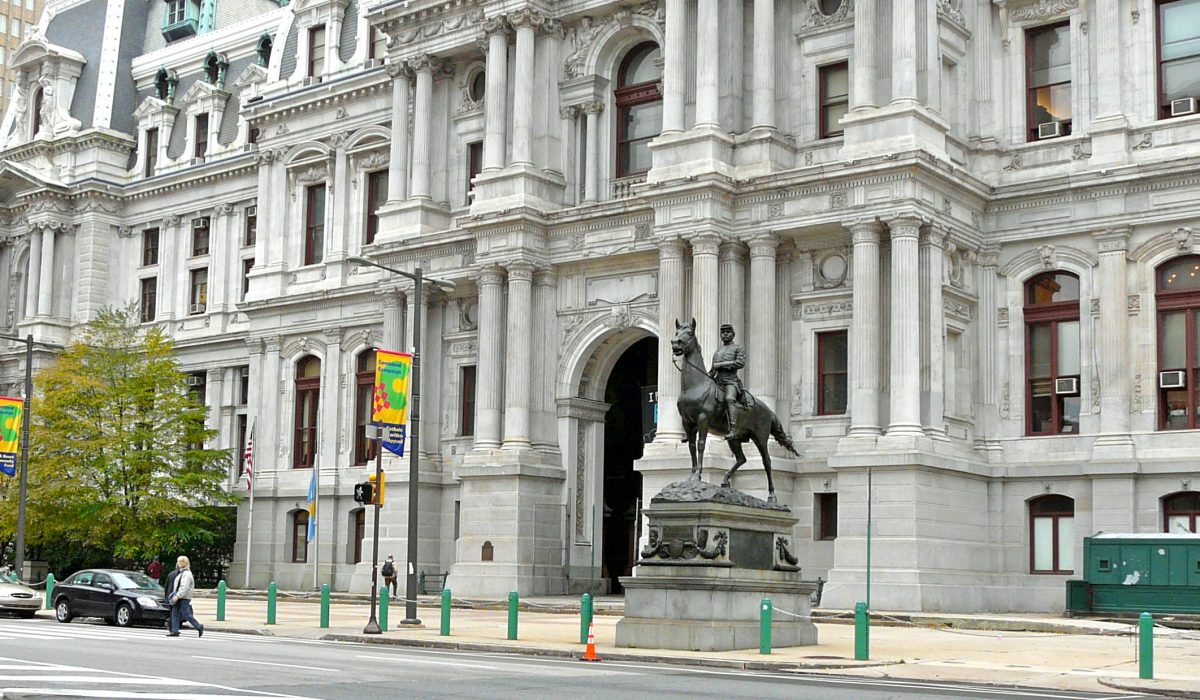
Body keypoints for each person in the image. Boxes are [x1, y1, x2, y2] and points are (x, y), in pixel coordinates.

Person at [709, 324, 748, 428]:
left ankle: (733, 428)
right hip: (717, 382)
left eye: (728, 332)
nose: (725, 334)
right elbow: (712, 371)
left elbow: (740, 363)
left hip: (731, 382)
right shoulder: (717, 352)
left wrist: (721, 365)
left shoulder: (739, 348)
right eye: (723, 332)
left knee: (729, 399)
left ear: (733, 334)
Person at [167, 555, 204, 638]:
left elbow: (184, 586)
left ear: (183, 563)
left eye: (179, 561)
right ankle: (175, 631)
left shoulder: (186, 574)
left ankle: (199, 626)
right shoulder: (182, 573)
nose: (177, 563)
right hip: (180, 596)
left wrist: (178, 595)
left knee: (186, 613)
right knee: (175, 613)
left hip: (184, 597)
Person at [164, 560, 182, 636]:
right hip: (176, 595)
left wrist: (166, 597)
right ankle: (173, 628)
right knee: (176, 613)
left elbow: (166, 586)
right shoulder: (181, 575)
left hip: (170, 595)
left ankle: (173, 628)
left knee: (173, 612)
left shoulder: (170, 574)